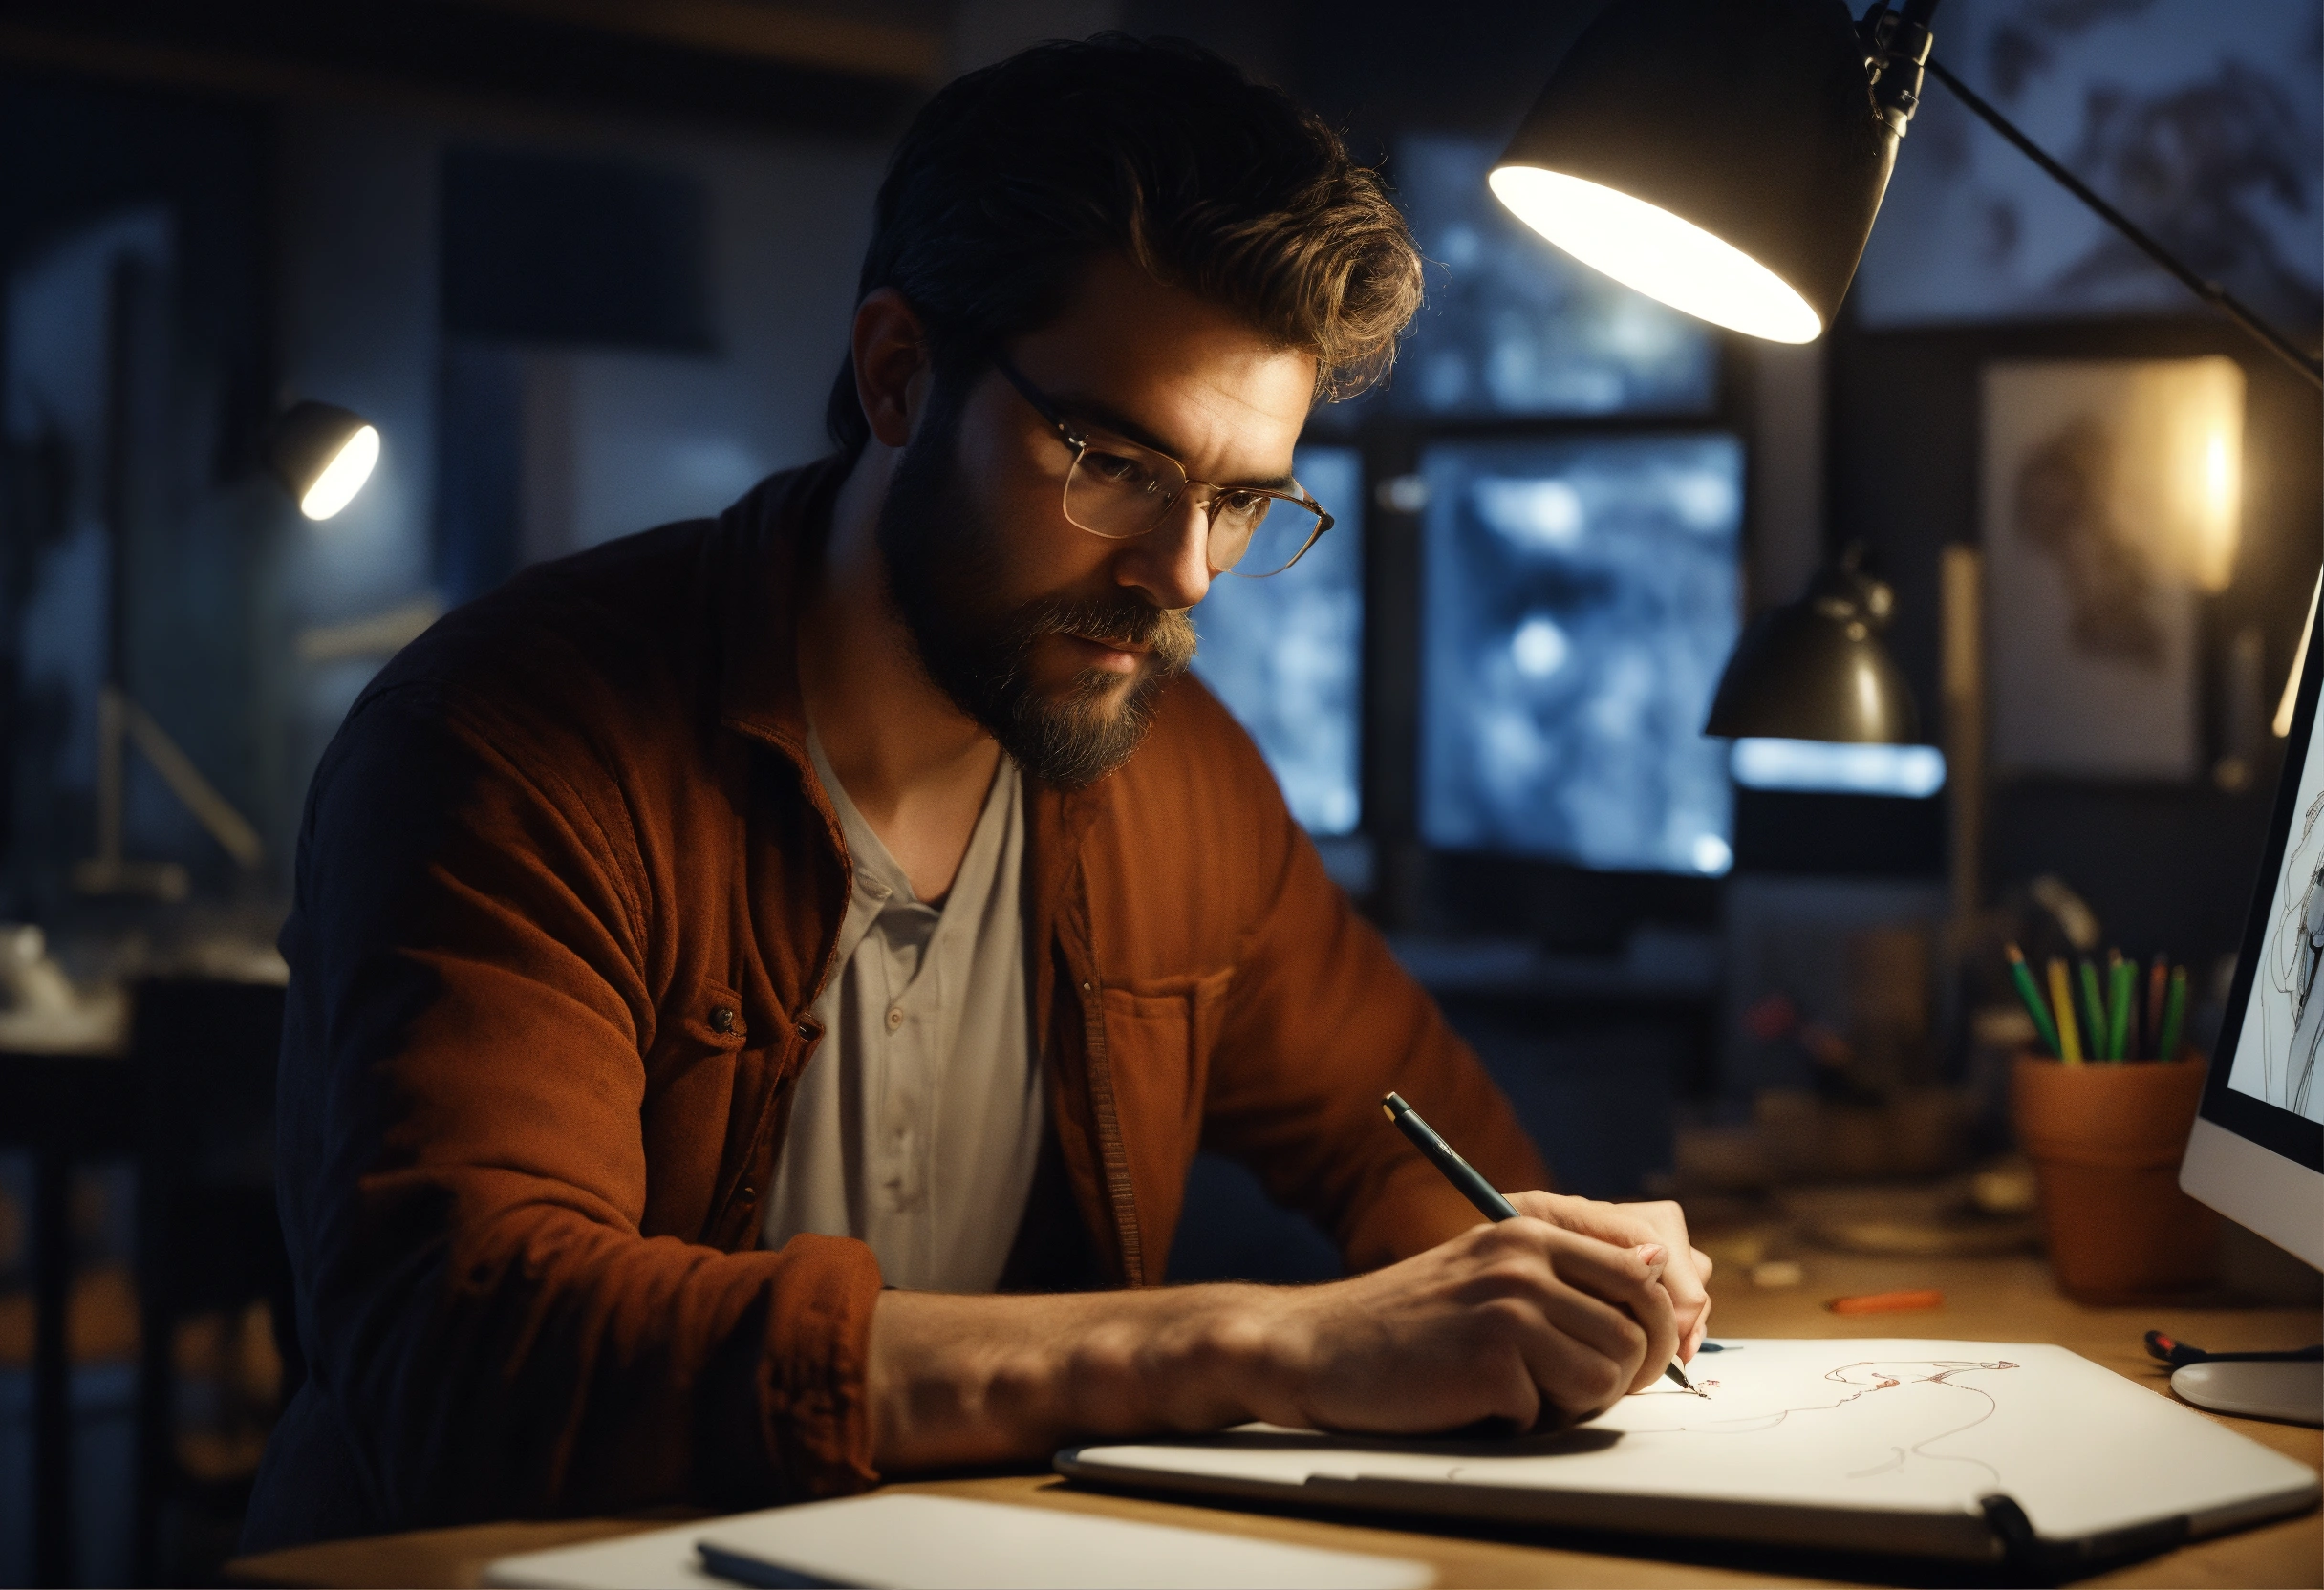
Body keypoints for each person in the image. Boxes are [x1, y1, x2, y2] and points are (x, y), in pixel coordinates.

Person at [242, 34, 1711, 1549]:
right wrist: (1254, 1345)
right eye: (1119, 467)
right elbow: (472, 1359)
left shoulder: (1178, 773)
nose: (1181, 572)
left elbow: (1422, 1164)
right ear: (897, 374)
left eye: (1241, 500)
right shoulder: (511, 740)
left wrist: (1551, 1288)